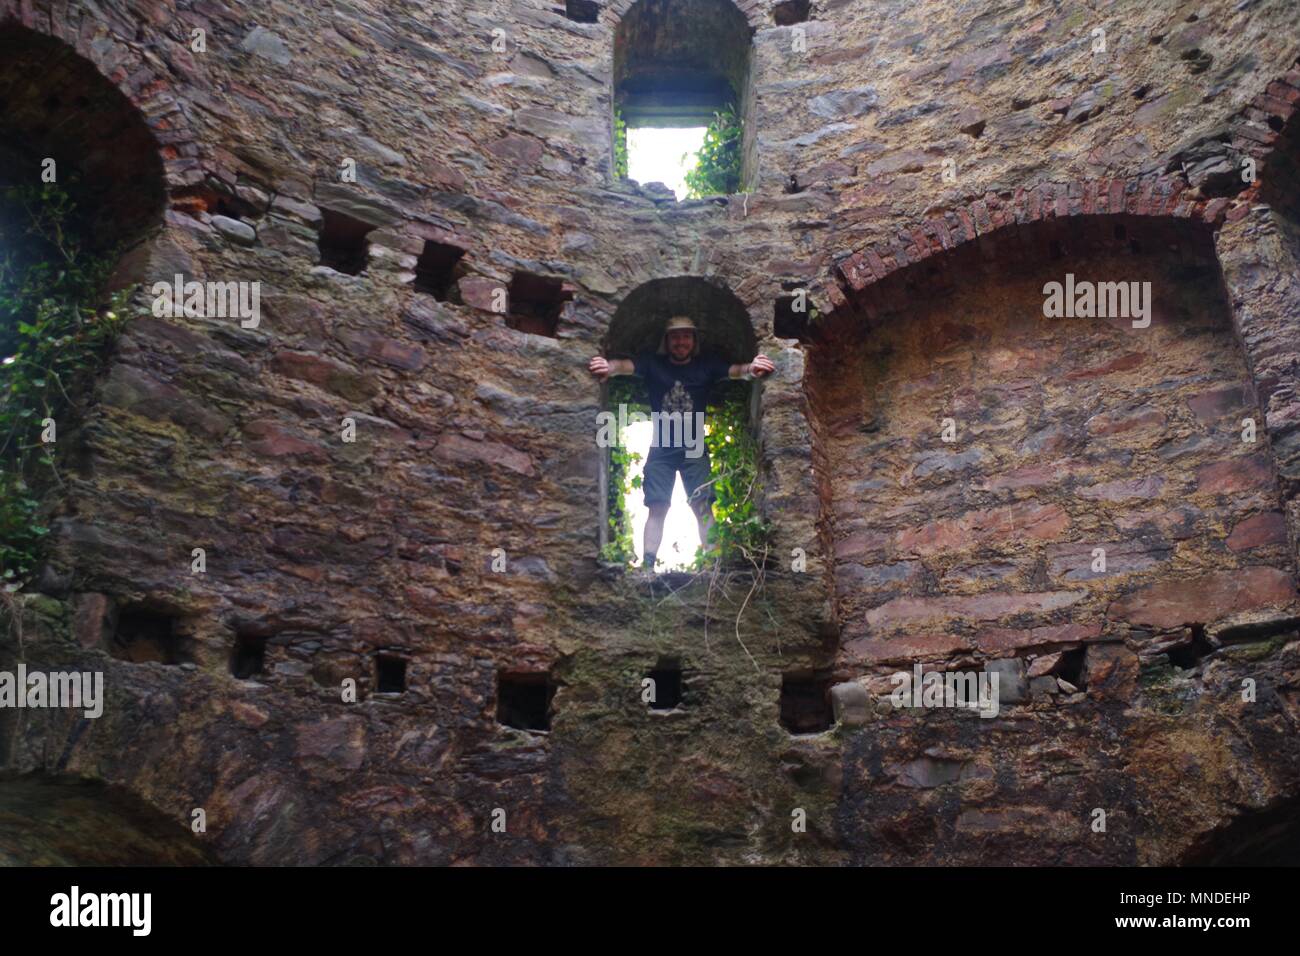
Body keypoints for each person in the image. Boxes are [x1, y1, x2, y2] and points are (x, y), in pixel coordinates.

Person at [588, 316, 774, 569]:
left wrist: (752, 368)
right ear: (667, 341)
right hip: (661, 447)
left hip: (694, 448)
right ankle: (648, 566)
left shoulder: (706, 365)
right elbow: (625, 366)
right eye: (675, 337)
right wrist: (608, 366)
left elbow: (737, 371)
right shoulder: (654, 364)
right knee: (657, 505)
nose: (681, 341)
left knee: (702, 505)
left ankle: (714, 564)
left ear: (693, 340)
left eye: (686, 336)